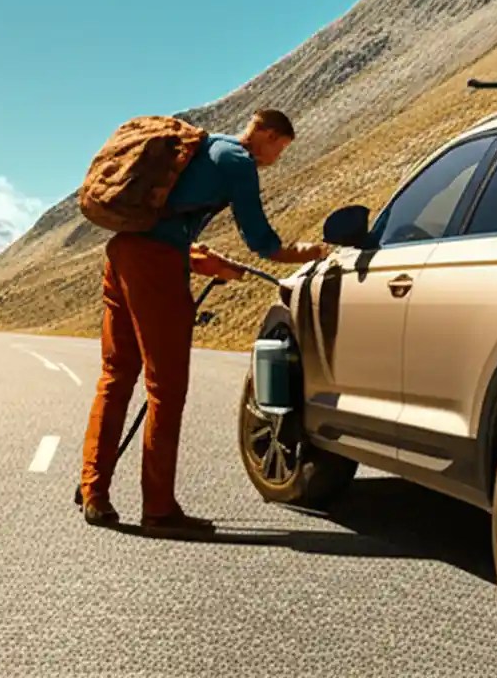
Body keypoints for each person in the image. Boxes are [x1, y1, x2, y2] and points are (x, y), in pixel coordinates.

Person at [79, 108, 329, 535]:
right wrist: (313, 253)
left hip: (121, 255)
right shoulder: (238, 162)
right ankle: (159, 509)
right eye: (279, 148)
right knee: (166, 388)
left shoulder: (205, 148)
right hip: (154, 267)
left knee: (116, 377)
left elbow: (163, 225)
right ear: (265, 133)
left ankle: (93, 490)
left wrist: (205, 263)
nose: (276, 159)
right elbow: (261, 241)